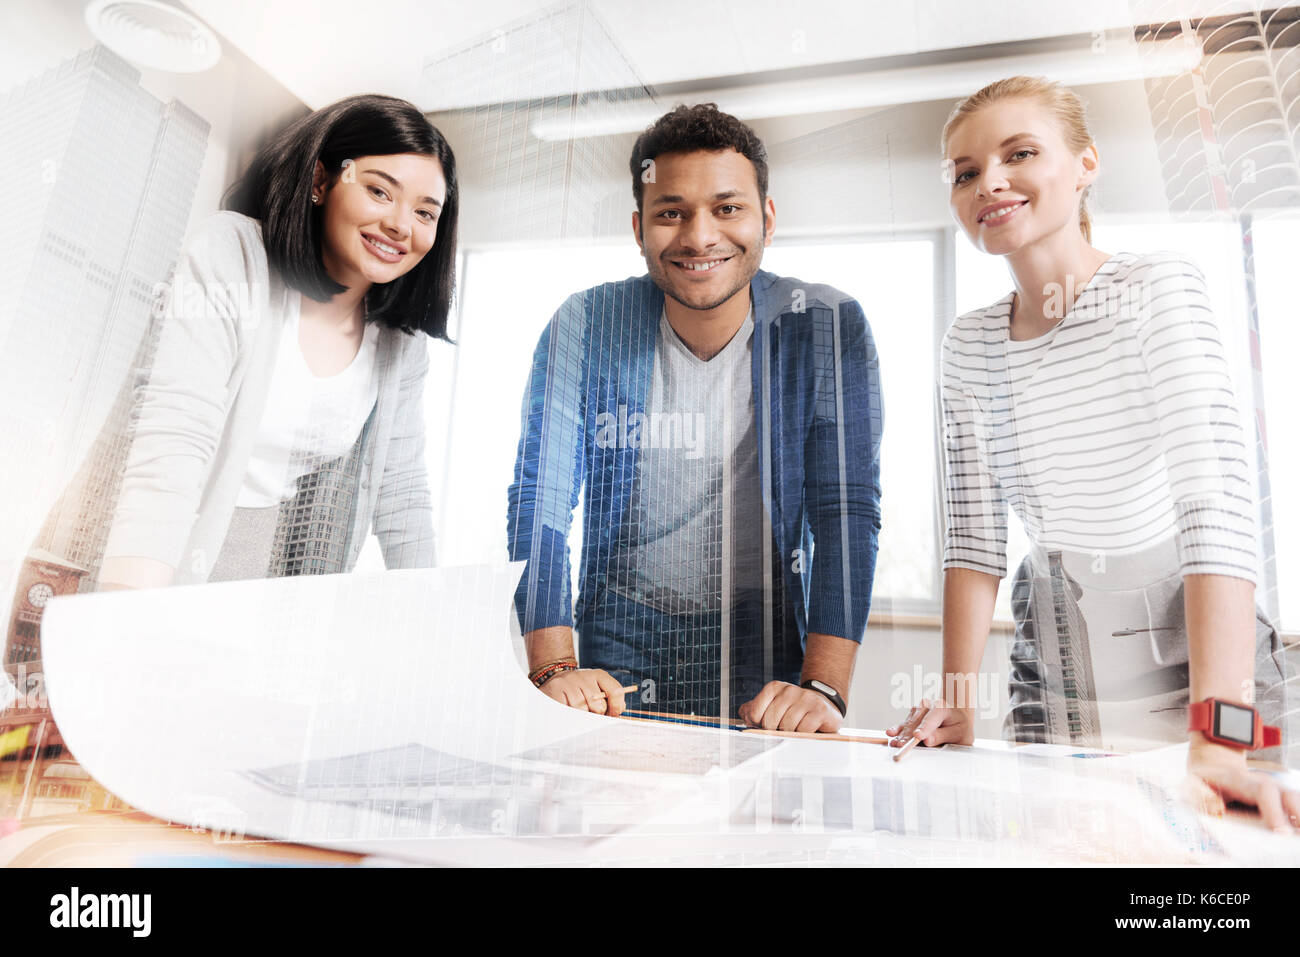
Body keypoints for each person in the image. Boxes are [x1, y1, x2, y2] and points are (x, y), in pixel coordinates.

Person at [889, 76, 1297, 830]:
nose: (992, 182)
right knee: (1065, 845)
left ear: (1086, 164)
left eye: (1020, 153)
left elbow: (1217, 515)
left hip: (1203, 652)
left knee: (1242, 841)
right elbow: (974, 542)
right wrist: (955, 698)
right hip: (1057, 656)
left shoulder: (1158, 288)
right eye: (966, 171)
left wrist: (1219, 742)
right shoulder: (968, 346)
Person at [507, 103, 882, 730]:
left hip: (763, 633)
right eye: (671, 212)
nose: (699, 236)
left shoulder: (827, 325)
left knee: (757, 817)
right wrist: (552, 667)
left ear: (766, 217)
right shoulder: (585, 325)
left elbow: (845, 505)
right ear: (639, 227)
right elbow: (540, 497)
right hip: (620, 625)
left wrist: (825, 686)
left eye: (727, 208)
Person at [98, 94, 458, 588]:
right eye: (379, 192)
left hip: (262, 564)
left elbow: (401, 492)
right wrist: (128, 607)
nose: (400, 224)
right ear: (320, 181)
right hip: (152, 538)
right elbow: (174, 438)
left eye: (425, 213)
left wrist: (439, 622)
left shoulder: (400, 344)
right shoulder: (233, 252)